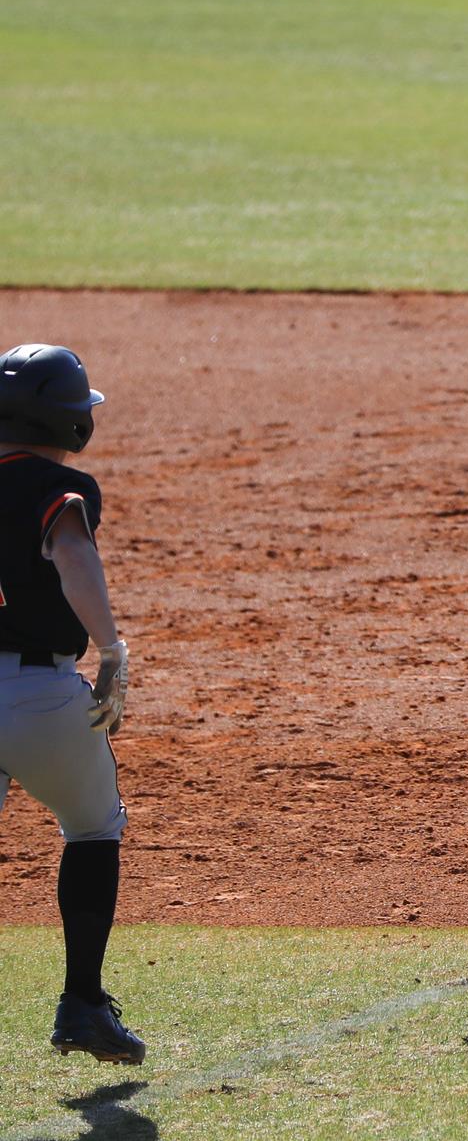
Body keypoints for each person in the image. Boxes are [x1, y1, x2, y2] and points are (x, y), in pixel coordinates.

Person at [0, 344, 143, 1065]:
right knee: (92, 827)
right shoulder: (61, 485)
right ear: (67, 419)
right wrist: (111, 649)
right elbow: (73, 556)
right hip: (38, 695)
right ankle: (82, 1003)